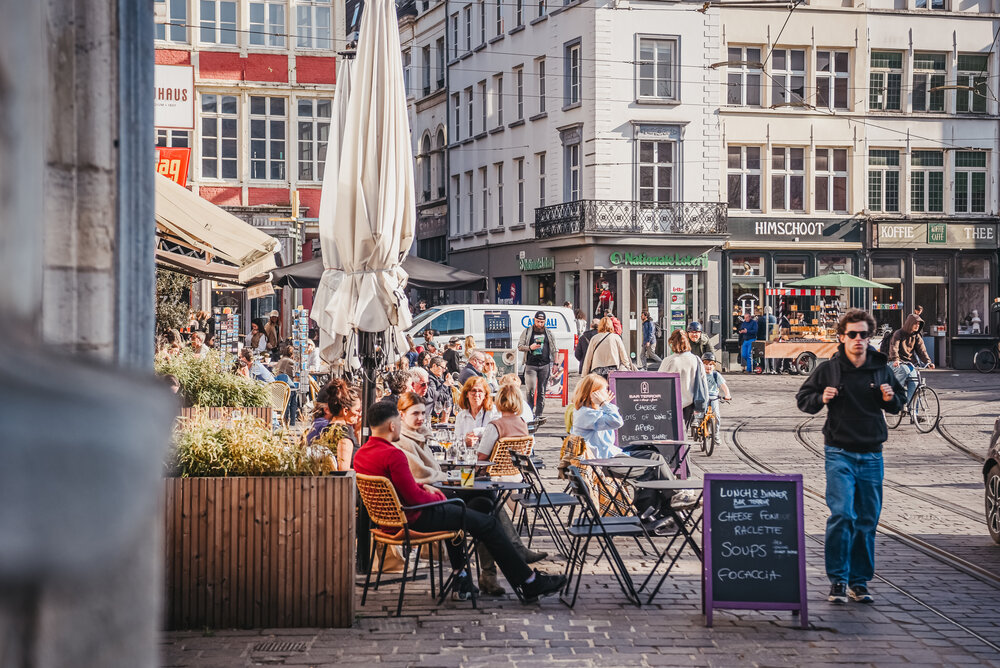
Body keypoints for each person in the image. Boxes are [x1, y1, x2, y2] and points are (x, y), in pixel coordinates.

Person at [352, 400, 567, 602]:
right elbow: (415, 498)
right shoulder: (393, 454)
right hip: (417, 516)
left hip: (392, 519)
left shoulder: (362, 454)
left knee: (482, 504)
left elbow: (404, 489)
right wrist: (437, 495)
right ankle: (528, 581)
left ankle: (461, 575)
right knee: (488, 522)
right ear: (392, 425)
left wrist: (426, 489)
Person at [796, 309, 905, 605]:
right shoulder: (830, 369)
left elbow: (899, 403)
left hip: (871, 453)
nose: (859, 340)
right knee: (843, 514)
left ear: (870, 337)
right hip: (839, 452)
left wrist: (890, 398)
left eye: (864, 335)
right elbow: (804, 400)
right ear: (842, 337)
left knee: (867, 520)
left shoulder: (880, 367)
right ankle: (838, 580)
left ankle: (859, 582)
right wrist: (822, 398)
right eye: (852, 335)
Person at [658, 329, 708, 427]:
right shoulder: (696, 359)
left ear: (672, 343)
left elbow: (659, 382)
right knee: (683, 430)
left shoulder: (669, 361)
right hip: (689, 402)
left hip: (670, 403)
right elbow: (703, 383)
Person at [569, 373, 624, 459]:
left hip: (605, 454)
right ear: (594, 393)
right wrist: (604, 404)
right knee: (648, 456)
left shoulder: (590, 410)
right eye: (605, 389)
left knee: (646, 452)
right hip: (600, 458)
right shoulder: (586, 414)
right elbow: (617, 422)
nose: (608, 391)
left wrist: (605, 404)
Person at [306, 382, 358, 471]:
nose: (359, 414)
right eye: (357, 410)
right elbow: (343, 470)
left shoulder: (326, 429)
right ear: (345, 411)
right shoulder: (344, 433)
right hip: (348, 483)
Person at [888, 313, 934, 404]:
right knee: (904, 370)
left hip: (910, 364)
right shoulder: (898, 333)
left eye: (919, 324)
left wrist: (928, 362)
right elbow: (894, 347)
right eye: (915, 323)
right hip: (895, 362)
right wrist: (896, 359)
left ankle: (913, 414)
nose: (917, 326)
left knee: (915, 385)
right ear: (909, 323)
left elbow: (922, 351)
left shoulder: (916, 336)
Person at [518, 311, 557, 418]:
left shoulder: (548, 333)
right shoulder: (527, 331)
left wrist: (556, 364)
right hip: (531, 365)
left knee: (542, 391)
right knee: (530, 390)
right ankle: (529, 413)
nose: (540, 324)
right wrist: (530, 347)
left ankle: (539, 414)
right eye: (538, 321)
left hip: (545, 365)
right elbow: (520, 346)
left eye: (542, 322)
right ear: (534, 320)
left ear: (545, 322)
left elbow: (554, 349)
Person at [454, 377, 501, 450]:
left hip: (488, 458)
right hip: (466, 457)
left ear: (485, 395)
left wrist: (476, 432)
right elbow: (455, 442)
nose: (476, 394)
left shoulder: (493, 412)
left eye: (480, 391)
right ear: (467, 394)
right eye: (473, 391)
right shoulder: (461, 416)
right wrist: (465, 442)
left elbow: (497, 431)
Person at [701, 352, 731, 429]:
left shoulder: (716, 375)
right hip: (702, 396)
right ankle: (697, 424)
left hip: (713, 396)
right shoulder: (700, 374)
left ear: (714, 366)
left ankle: (716, 434)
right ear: (702, 365)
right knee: (699, 413)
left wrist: (727, 394)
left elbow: (723, 386)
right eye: (706, 364)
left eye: (711, 364)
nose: (708, 366)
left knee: (716, 415)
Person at [425, 355, 454, 422]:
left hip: (446, 412)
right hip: (437, 415)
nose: (444, 370)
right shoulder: (429, 378)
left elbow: (447, 396)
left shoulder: (438, 377)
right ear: (434, 366)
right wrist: (445, 385)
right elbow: (434, 395)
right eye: (442, 368)